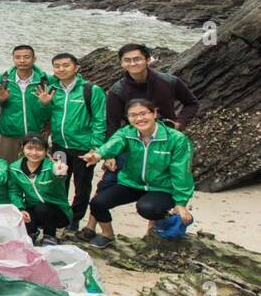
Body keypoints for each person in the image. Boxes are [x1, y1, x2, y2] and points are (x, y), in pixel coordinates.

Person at [81, 99, 194, 247]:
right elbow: (113, 144)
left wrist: (181, 203)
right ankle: (107, 235)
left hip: (161, 187)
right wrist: (98, 155)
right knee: (98, 203)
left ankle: (167, 221)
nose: (139, 119)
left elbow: (181, 172)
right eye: (133, 115)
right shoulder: (127, 133)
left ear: (154, 113)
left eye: (143, 113)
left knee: (147, 208)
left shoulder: (176, 139)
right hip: (132, 182)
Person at [43, 52, 106, 231]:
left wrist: (96, 147)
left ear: (76, 67)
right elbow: (47, 116)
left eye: (65, 65)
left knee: (82, 185)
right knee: (58, 180)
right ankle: (61, 213)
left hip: (83, 147)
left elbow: (100, 120)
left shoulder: (90, 90)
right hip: (59, 145)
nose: (61, 69)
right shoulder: (52, 89)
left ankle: (75, 218)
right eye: (57, 66)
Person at [7, 134, 72, 243]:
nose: (34, 153)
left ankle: (50, 237)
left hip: (58, 213)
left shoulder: (52, 166)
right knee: (21, 214)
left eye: (39, 149)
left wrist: (59, 175)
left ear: (47, 151)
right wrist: (20, 208)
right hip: (33, 208)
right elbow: (14, 191)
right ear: (23, 148)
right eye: (29, 148)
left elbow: (59, 180)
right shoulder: (15, 168)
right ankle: (32, 233)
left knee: (42, 208)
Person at [0, 44, 50, 162]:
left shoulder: (45, 80)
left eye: (26, 57)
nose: (22, 61)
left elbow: (51, 110)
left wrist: (45, 104)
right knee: (7, 167)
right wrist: (1, 99)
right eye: (17, 57)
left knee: (33, 169)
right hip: (9, 133)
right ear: (13, 59)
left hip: (35, 133)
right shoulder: (3, 79)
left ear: (34, 59)